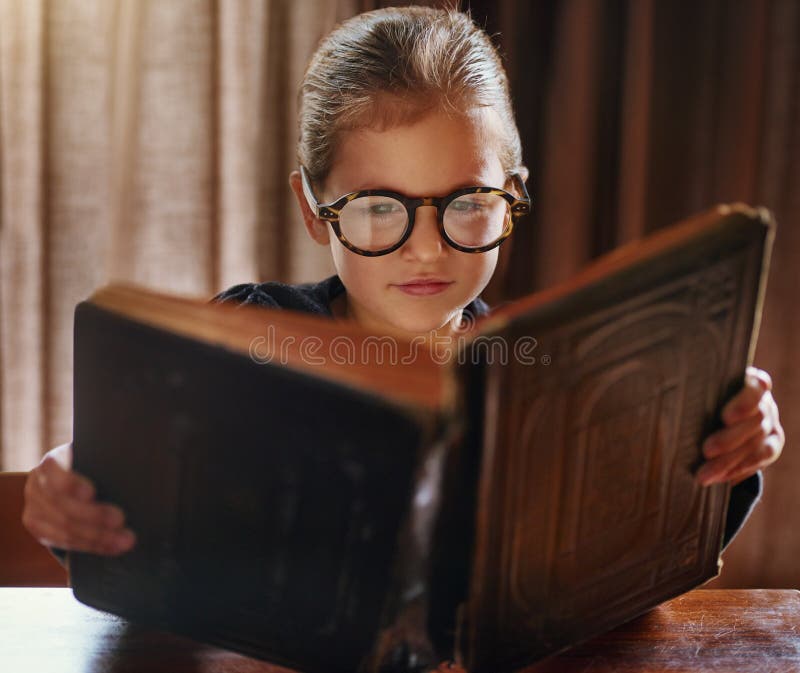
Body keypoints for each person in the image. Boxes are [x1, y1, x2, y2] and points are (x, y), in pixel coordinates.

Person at [23, 3, 784, 580]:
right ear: (314, 211)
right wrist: (72, 479)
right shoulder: (249, 334)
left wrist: (722, 435)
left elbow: (636, 548)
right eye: (380, 207)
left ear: (513, 196)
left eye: (467, 202)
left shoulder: (552, 373)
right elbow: (126, 475)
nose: (427, 246)